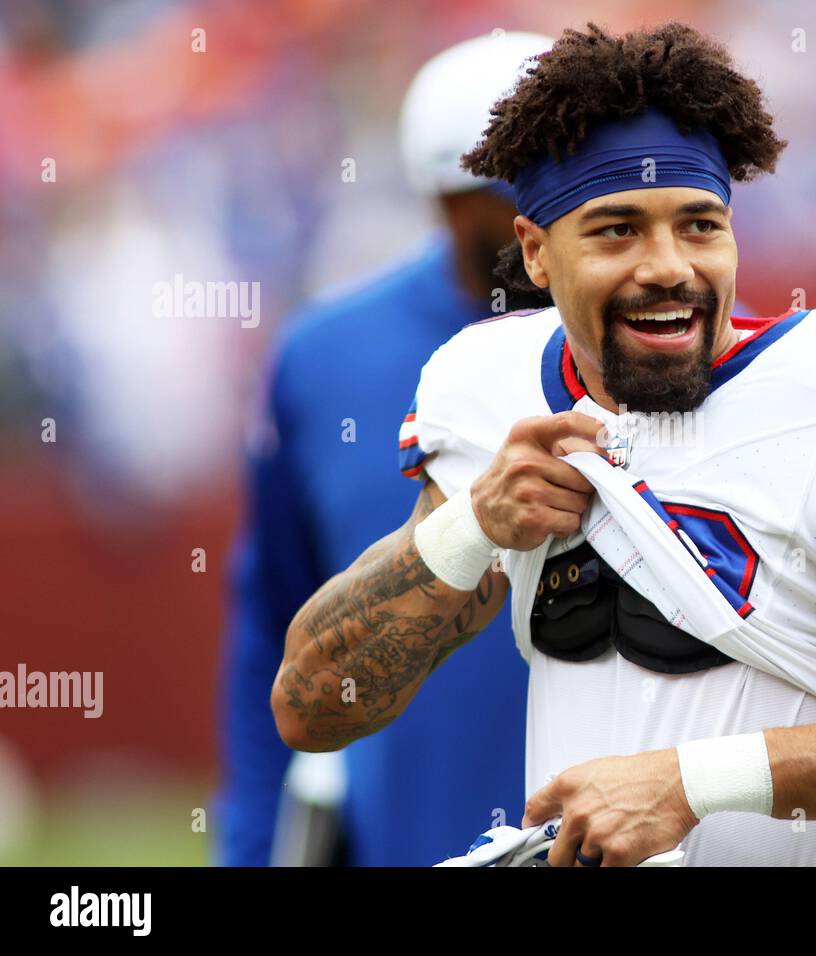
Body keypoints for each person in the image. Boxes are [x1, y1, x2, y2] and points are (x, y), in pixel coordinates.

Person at [271, 21, 816, 867]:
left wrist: (693, 782)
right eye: (617, 230)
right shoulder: (485, 391)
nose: (669, 265)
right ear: (535, 253)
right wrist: (471, 527)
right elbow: (314, 706)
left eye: (700, 225)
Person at [216, 31, 555, 867]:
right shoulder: (325, 356)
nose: (542, 208)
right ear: (444, 199)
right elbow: (273, 623)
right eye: (506, 187)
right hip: (404, 833)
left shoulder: (666, 344)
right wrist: (253, 846)